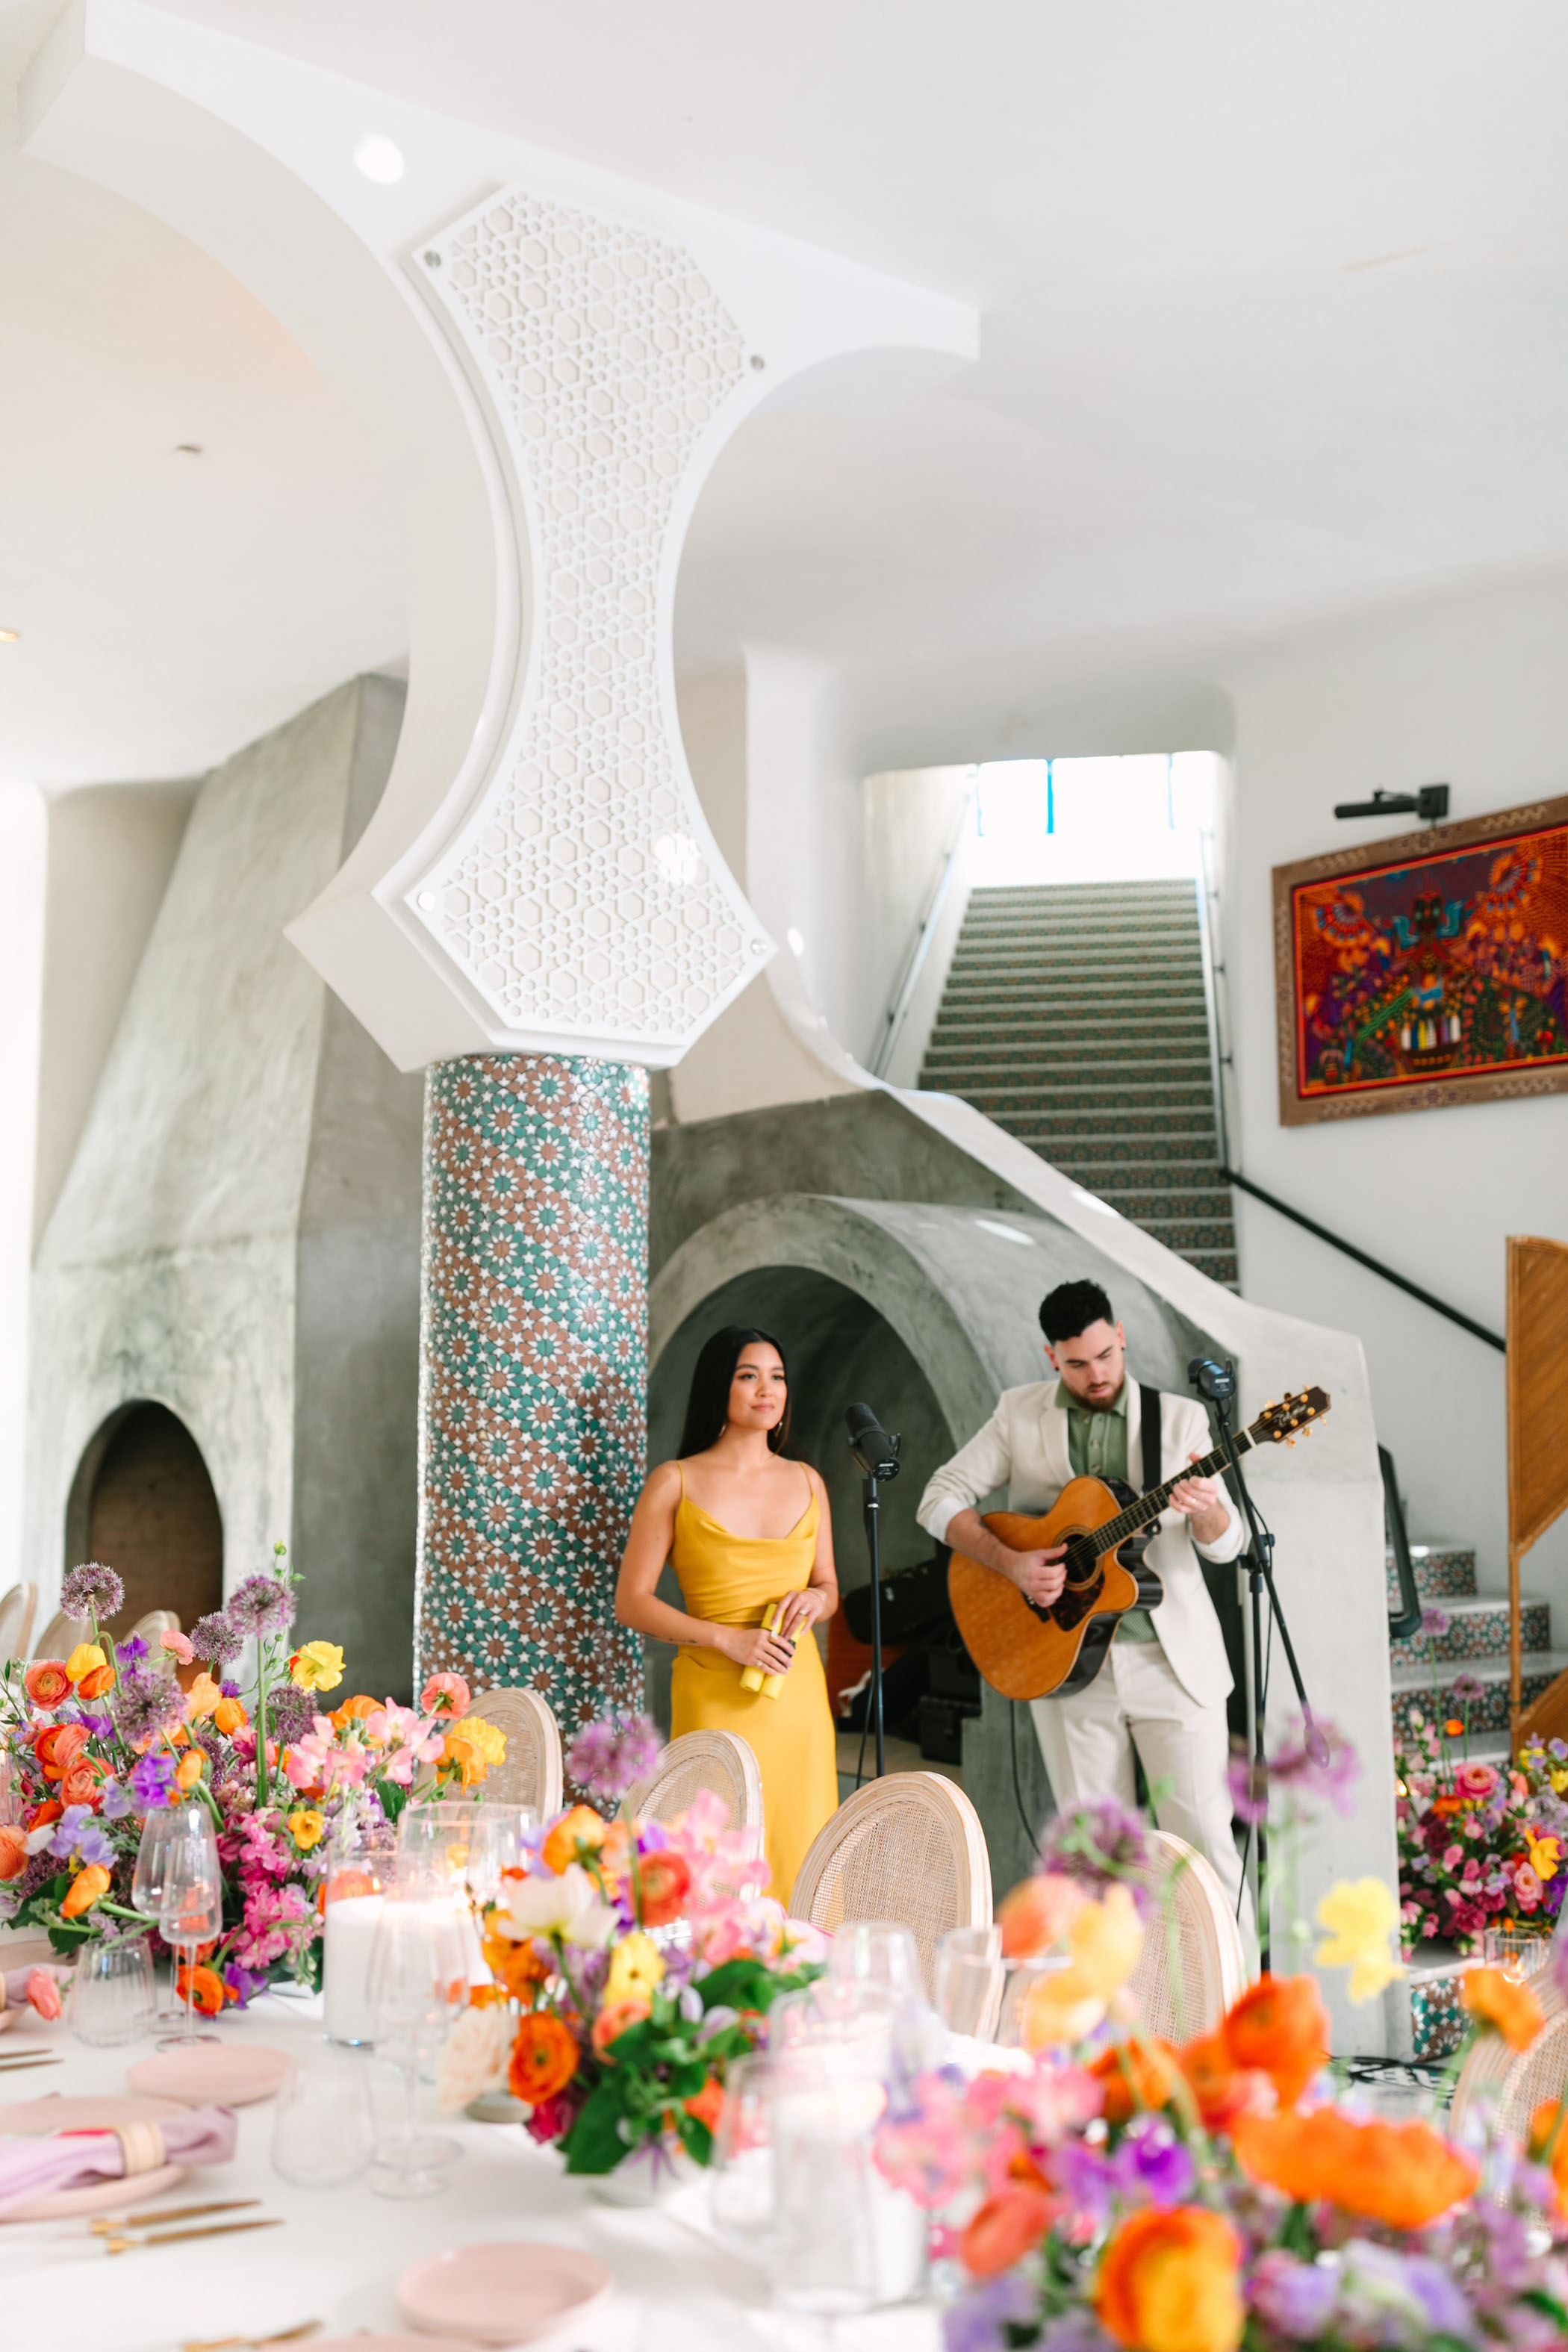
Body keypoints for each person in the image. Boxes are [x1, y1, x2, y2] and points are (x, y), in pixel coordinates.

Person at [917, 1278, 1251, 1930]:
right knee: (1096, 1865)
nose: (1096, 1374)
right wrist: (1011, 1563)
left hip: (1173, 1665)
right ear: (1052, 1358)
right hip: (1069, 1666)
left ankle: (1233, 2014)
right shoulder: (1019, 1414)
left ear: (1120, 1336)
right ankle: (1114, 2019)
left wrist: (1208, 1512)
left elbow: (1228, 1546)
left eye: (1105, 1356)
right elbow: (938, 1497)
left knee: (1204, 1847)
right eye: (1077, 1363)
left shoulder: (1181, 1420)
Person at [615, 1325, 840, 1905]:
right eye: (748, 1376)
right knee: (712, 1849)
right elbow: (632, 1601)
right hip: (713, 1692)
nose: (767, 1389)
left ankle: (797, 1980)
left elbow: (828, 1586)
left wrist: (816, 1601)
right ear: (720, 1385)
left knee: (801, 1841)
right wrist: (726, 1640)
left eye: (778, 1377)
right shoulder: (674, 1481)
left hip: (797, 1697)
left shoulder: (808, 1481)